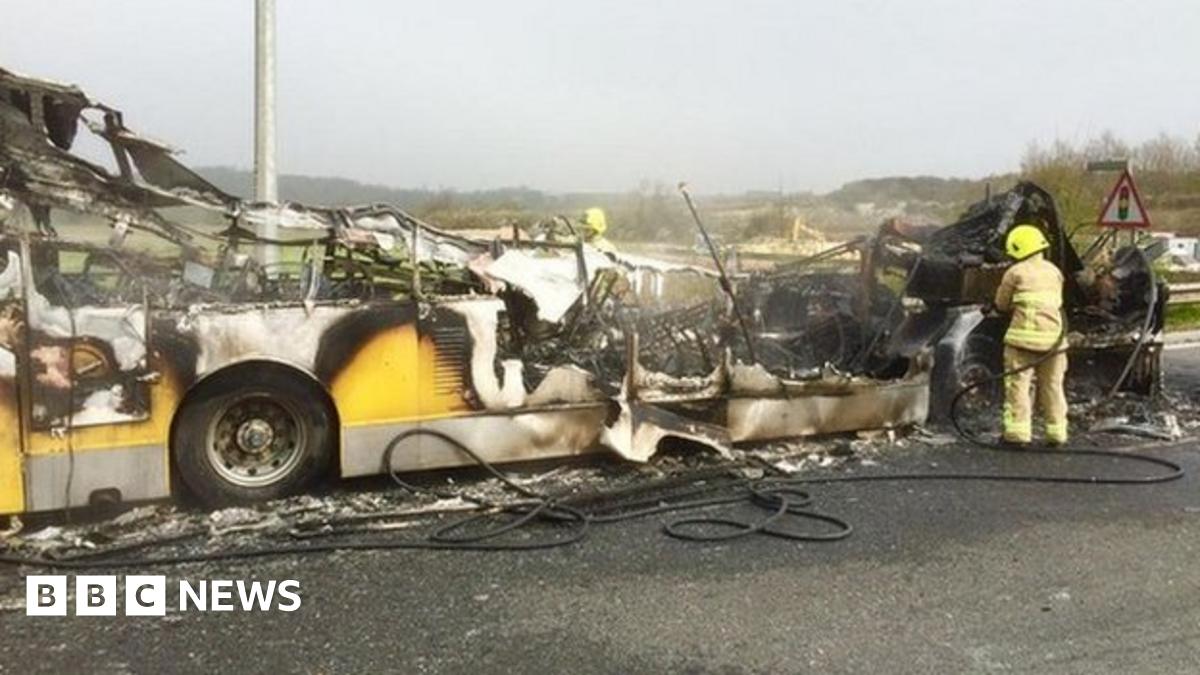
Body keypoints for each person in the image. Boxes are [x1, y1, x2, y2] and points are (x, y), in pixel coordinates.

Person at [993, 223, 1068, 446]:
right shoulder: (1054, 272)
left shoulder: (1015, 272)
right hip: (1054, 343)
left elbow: (1001, 304)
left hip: (1022, 343)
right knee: (1053, 387)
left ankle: (1017, 435)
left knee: (1018, 386)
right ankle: (1057, 434)